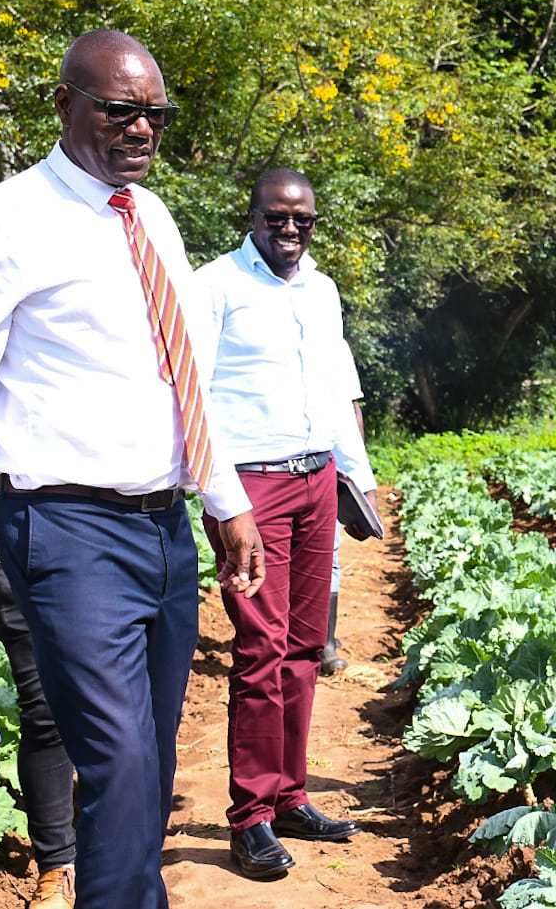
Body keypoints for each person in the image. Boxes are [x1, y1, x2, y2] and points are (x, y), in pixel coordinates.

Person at [0, 29, 265, 909]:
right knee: (119, 755)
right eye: (120, 110)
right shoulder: (5, 221)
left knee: (154, 754)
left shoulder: (155, 217)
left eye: (156, 115)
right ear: (65, 105)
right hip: (62, 523)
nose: (141, 129)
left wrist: (224, 500)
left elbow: (186, 377)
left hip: (161, 526)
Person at [194, 168, 377, 877]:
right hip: (252, 489)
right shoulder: (214, 285)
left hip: (316, 478)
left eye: (303, 219)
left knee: (305, 643)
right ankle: (249, 817)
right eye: (277, 218)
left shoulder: (322, 289)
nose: (291, 230)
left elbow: (333, 385)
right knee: (260, 647)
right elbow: (192, 396)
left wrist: (356, 476)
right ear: (252, 216)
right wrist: (221, 501)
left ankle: (291, 795)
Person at [0, 455, 78, 909]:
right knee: (44, 707)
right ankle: (58, 867)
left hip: (115, 535)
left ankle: (121, 851)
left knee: (129, 707)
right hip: (13, 545)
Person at [321, 342, 367, 677]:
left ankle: (325, 643)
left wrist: (358, 472)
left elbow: (352, 409)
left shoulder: (336, 345)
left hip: (329, 464)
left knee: (328, 553)